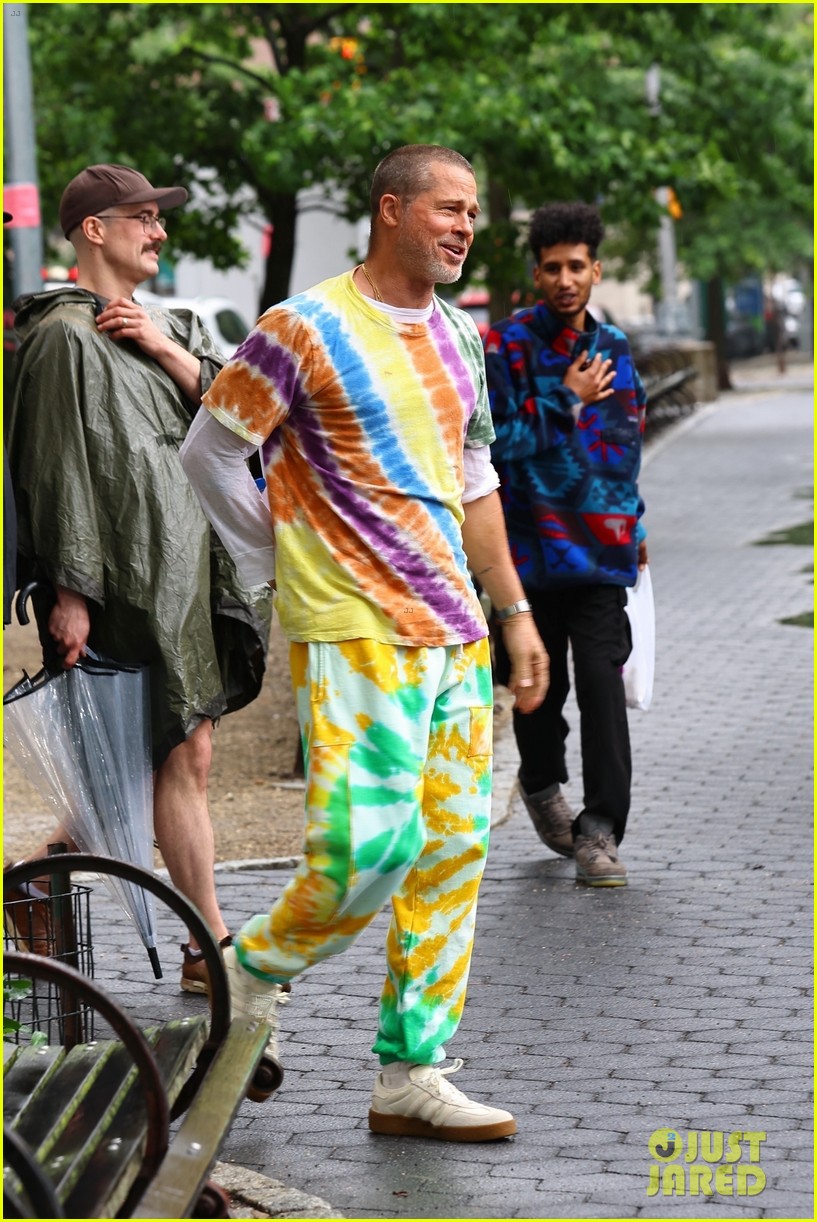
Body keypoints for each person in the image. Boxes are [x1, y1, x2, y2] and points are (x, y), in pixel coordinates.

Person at [180, 144, 549, 1140]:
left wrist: (514, 612)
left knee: (449, 854)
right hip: (354, 627)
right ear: (391, 210)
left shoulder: (460, 336)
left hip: (455, 628)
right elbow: (210, 450)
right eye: (447, 208)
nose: (465, 227)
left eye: (472, 211)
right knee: (366, 849)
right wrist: (279, 556)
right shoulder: (302, 327)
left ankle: (409, 1072)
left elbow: (474, 482)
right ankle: (249, 972)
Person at [7, 164, 272, 987]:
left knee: (151, 756)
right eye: (142, 217)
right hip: (125, 578)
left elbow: (244, 414)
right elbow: (54, 468)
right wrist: (71, 593)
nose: (158, 231)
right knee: (174, 751)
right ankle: (206, 945)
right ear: (95, 230)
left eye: (159, 218)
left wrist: (161, 346)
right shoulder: (60, 336)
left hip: (183, 568)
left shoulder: (165, 324)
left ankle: (41, 880)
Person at [484, 201, 648, 887]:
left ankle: (600, 830)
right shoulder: (505, 347)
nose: (564, 279)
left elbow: (625, 445)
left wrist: (637, 525)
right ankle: (542, 783)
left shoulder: (615, 349)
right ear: (536, 274)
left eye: (576, 266)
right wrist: (567, 398)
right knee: (538, 690)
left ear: (595, 270)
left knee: (603, 688)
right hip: (529, 554)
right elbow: (494, 446)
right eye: (551, 268)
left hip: (601, 553)